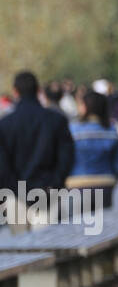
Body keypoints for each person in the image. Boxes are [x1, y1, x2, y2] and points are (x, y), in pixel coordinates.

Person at [0, 71, 75, 199]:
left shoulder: (5, 124)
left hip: (16, 196)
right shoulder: (56, 120)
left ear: (15, 91)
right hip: (49, 192)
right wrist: (55, 183)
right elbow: (66, 156)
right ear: (38, 90)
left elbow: (3, 163)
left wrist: (14, 189)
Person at [69, 91, 118, 180]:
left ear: (85, 107)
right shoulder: (112, 131)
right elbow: (117, 163)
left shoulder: (73, 130)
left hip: (77, 181)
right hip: (106, 181)